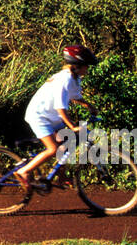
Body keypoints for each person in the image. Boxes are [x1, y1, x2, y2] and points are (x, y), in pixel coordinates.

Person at [13, 44, 98, 193]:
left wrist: (88, 105)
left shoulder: (74, 78)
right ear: (77, 65)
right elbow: (60, 107)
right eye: (86, 66)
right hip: (40, 116)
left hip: (52, 117)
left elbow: (75, 96)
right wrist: (72, 126)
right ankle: (23, 172)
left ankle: (61, 176)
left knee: (65, 143)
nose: (88, 69)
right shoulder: (64, 79)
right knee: (53, 149)